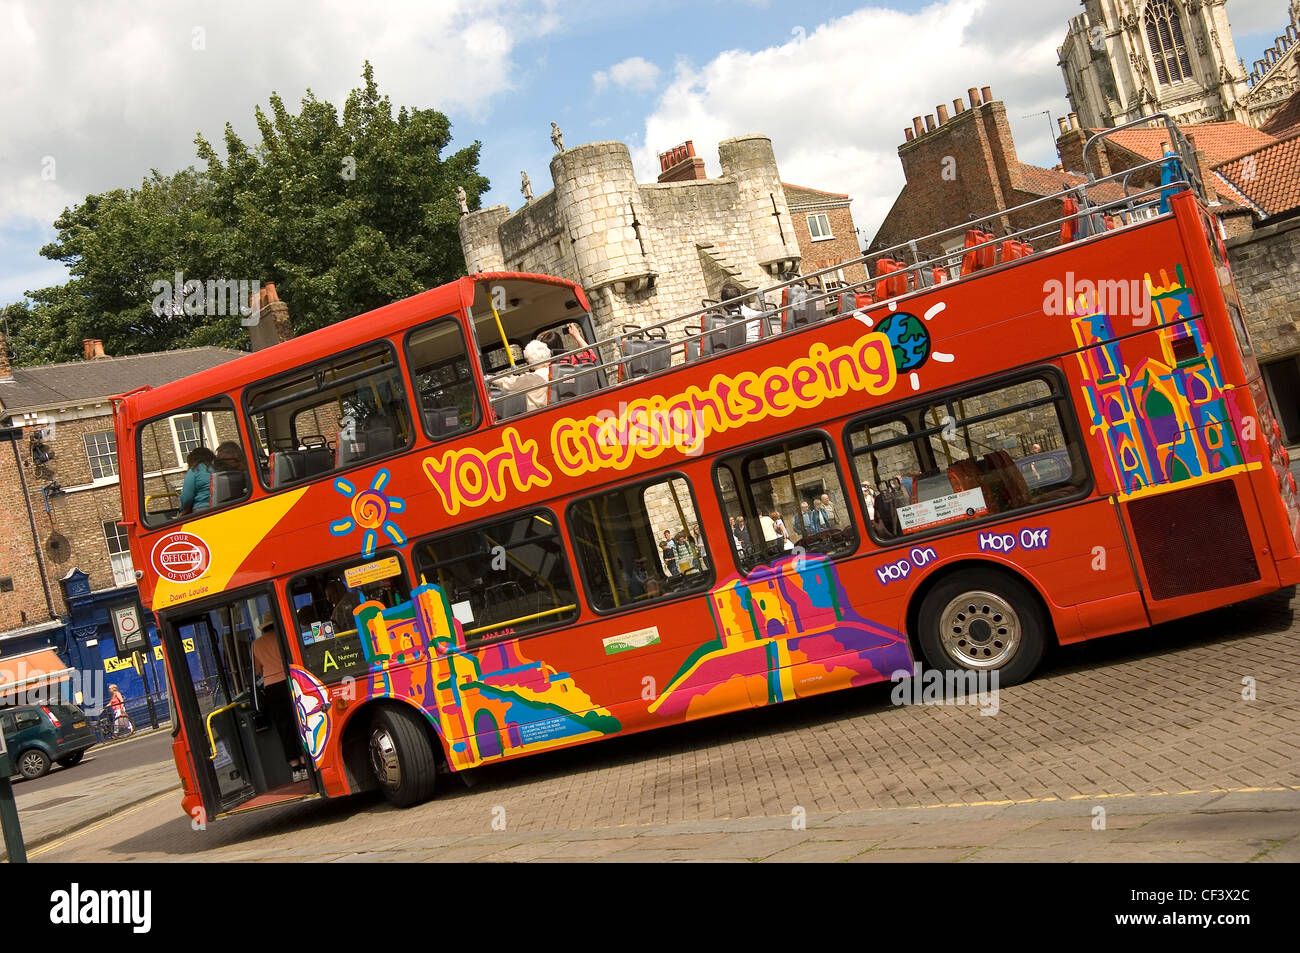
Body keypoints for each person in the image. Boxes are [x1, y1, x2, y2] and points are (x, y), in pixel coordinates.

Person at [253, 612, 306, 771]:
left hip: (272, 688)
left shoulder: (256, 644)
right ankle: (304, 761)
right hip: (290, 681)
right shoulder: (283, 636)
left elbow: (257, 670)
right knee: (299, 722)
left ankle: (295, 767)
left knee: (284, 727)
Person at [493, 340, 552, 413]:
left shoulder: (533, 377)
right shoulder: (549, 371)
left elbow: (510, 384)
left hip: (536, 412)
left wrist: (492, 378)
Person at [179, 447, 215, 515]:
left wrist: (181, 510)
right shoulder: (217, 468)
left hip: (202, 509)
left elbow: (186, 498)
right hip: (220, 506)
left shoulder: (194, 470)